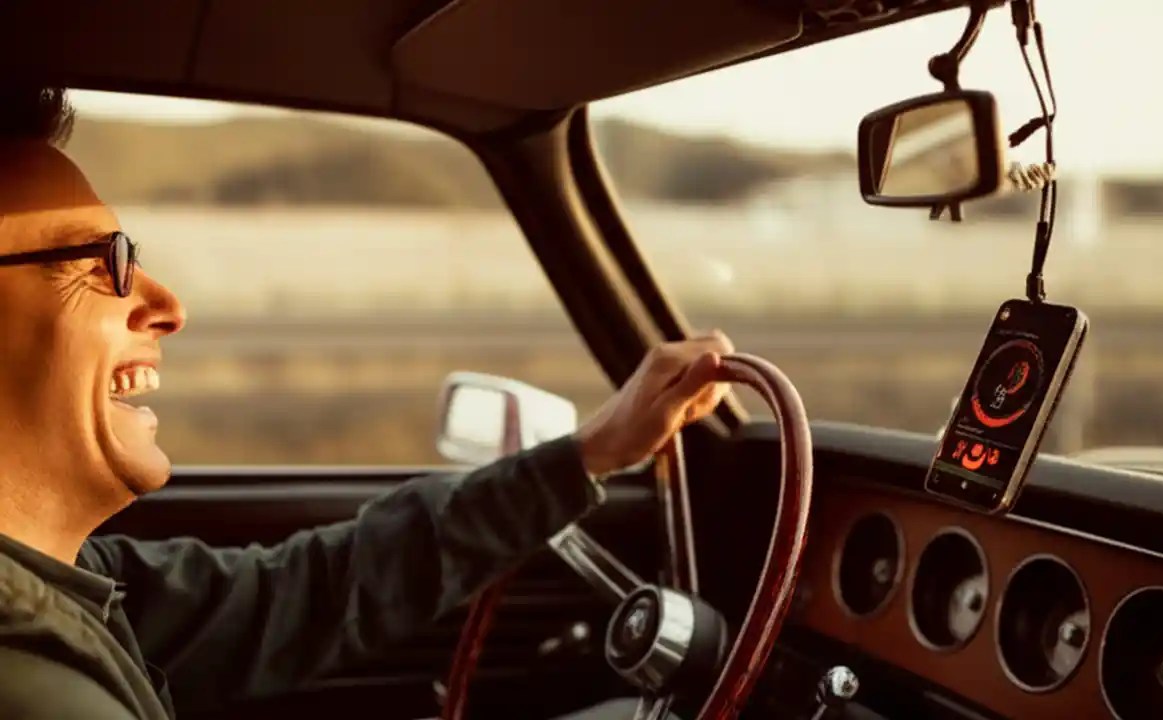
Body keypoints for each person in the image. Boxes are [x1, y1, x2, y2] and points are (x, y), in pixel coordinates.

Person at [0, 86, 732, 719]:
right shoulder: (31, 683)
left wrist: (592, 453)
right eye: (103, 264)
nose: (167, 305)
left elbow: (303, 597)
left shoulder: (63, 580)